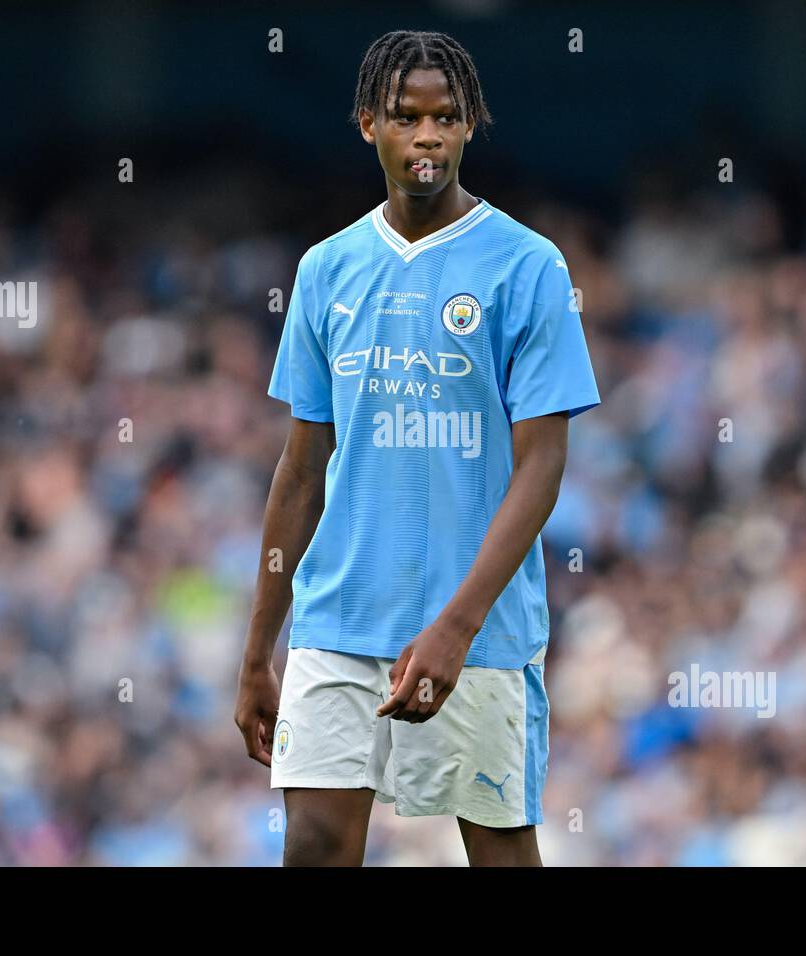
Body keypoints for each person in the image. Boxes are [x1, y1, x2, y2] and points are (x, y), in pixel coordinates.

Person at [234, 29, 600, 866]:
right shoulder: (327, 269)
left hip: (478, 627)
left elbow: (542, 463)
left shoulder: (527, 266)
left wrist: (455, 631)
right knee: (317, 842)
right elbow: (301, 469)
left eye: (446, 117)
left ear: (472, 124)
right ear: (369, 123)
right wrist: (259, 649)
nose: (427, 136)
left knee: (499, 853)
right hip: (338, 617)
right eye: (406, 116)